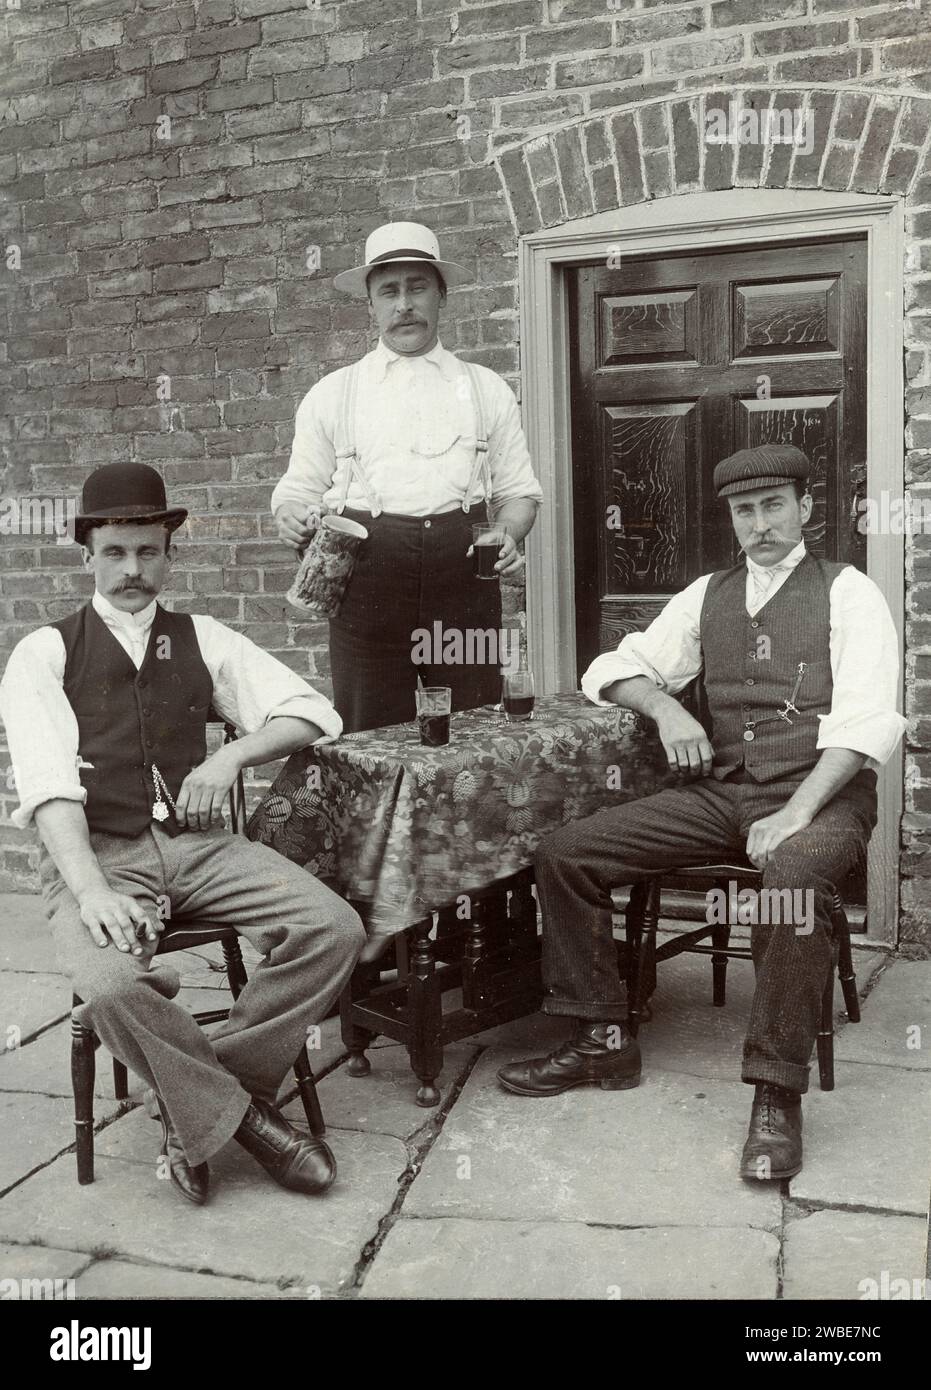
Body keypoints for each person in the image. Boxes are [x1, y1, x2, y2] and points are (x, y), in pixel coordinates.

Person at [497, 445, 905, 1180]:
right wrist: (663, 710)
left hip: (824, 793)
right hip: (723, 791)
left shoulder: (849, 593)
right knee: (566, 852)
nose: (760, 524)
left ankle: (775, 1097)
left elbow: (867, 723)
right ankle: (600, 1036)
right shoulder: (707, 593)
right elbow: (610, 668)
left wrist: (797, 812)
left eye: (773, 505)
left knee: (787, 881)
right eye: (744, 511)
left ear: (805, 508)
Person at [0, 463, 366, 1207]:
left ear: (169, 553)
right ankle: (254, 1124)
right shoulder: (45, 652)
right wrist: (93, 889)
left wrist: (231, 753)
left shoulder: (201, 637)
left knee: (331, 927)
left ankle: (198, 1101)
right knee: (107, 985)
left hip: (194, 845)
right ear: (86, 555)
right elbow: (47, 789)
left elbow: (312, 711)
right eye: (115, 553)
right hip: (95, 852)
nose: (133, 570)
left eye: (148, 551)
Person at [271, 220, 543, 734]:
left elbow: (520, 494)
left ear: (442, 294)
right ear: (370, 304)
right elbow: (296, 493)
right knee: (370, 735)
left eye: (417, 288)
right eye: (388, 292)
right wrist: (291, 519)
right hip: (367, 587)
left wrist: (508, 532)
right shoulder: (333, 393)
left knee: (475, 729)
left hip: (463, 581)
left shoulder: (486, 390)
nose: (404, 305)